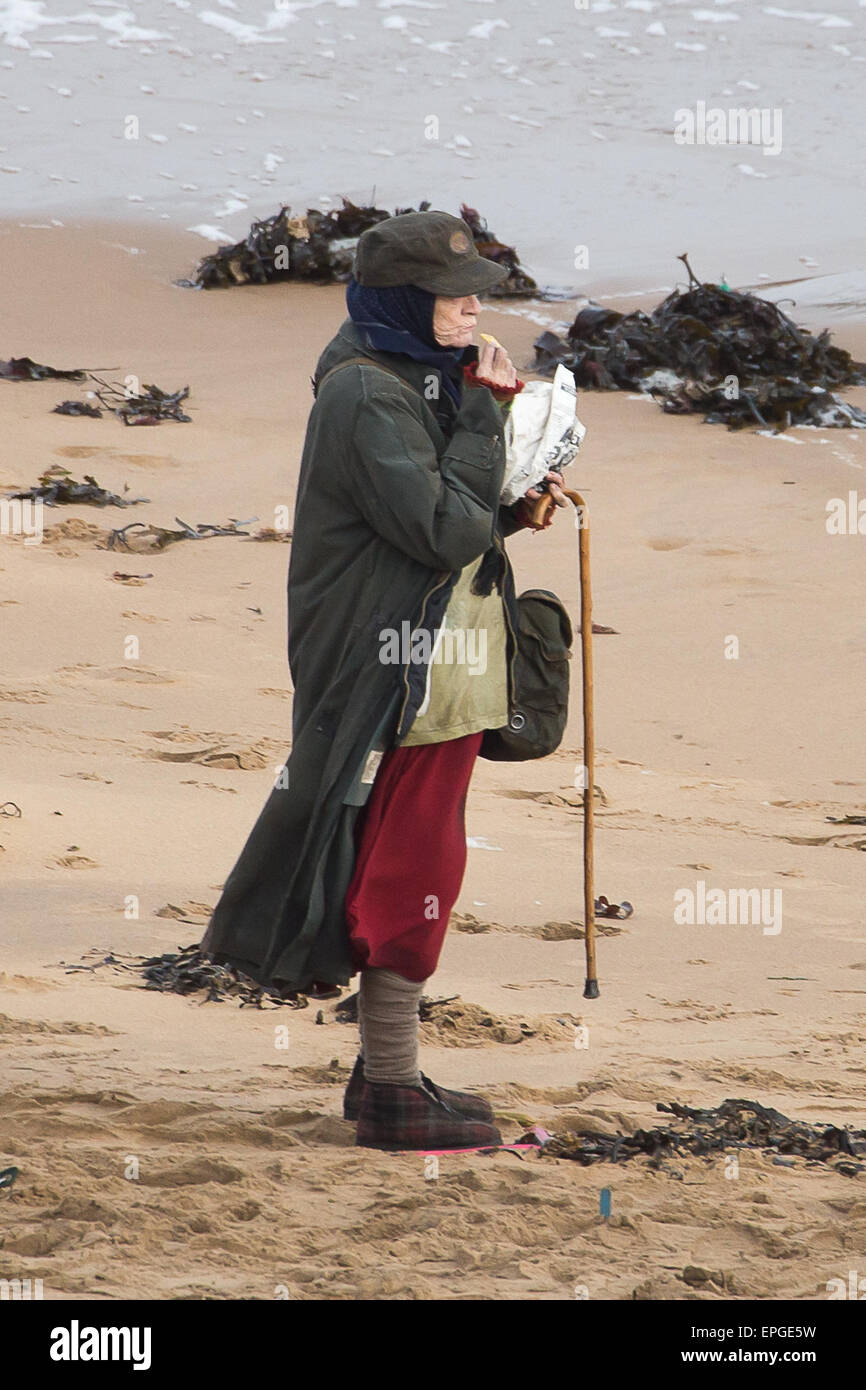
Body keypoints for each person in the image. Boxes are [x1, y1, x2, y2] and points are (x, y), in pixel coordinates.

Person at [202, 210, 566, 1150]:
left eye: (477, 291)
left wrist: (516, 510)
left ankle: (384, 1077)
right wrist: (487, 412)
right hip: (399, 661)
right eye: (453, 297)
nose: (473, 308)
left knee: (409, 850)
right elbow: (440, 534)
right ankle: (395, 1096)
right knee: (415, 863)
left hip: (428, 650)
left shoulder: (411, 374)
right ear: (403, 300)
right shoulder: (365, 394)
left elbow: (445, 516)